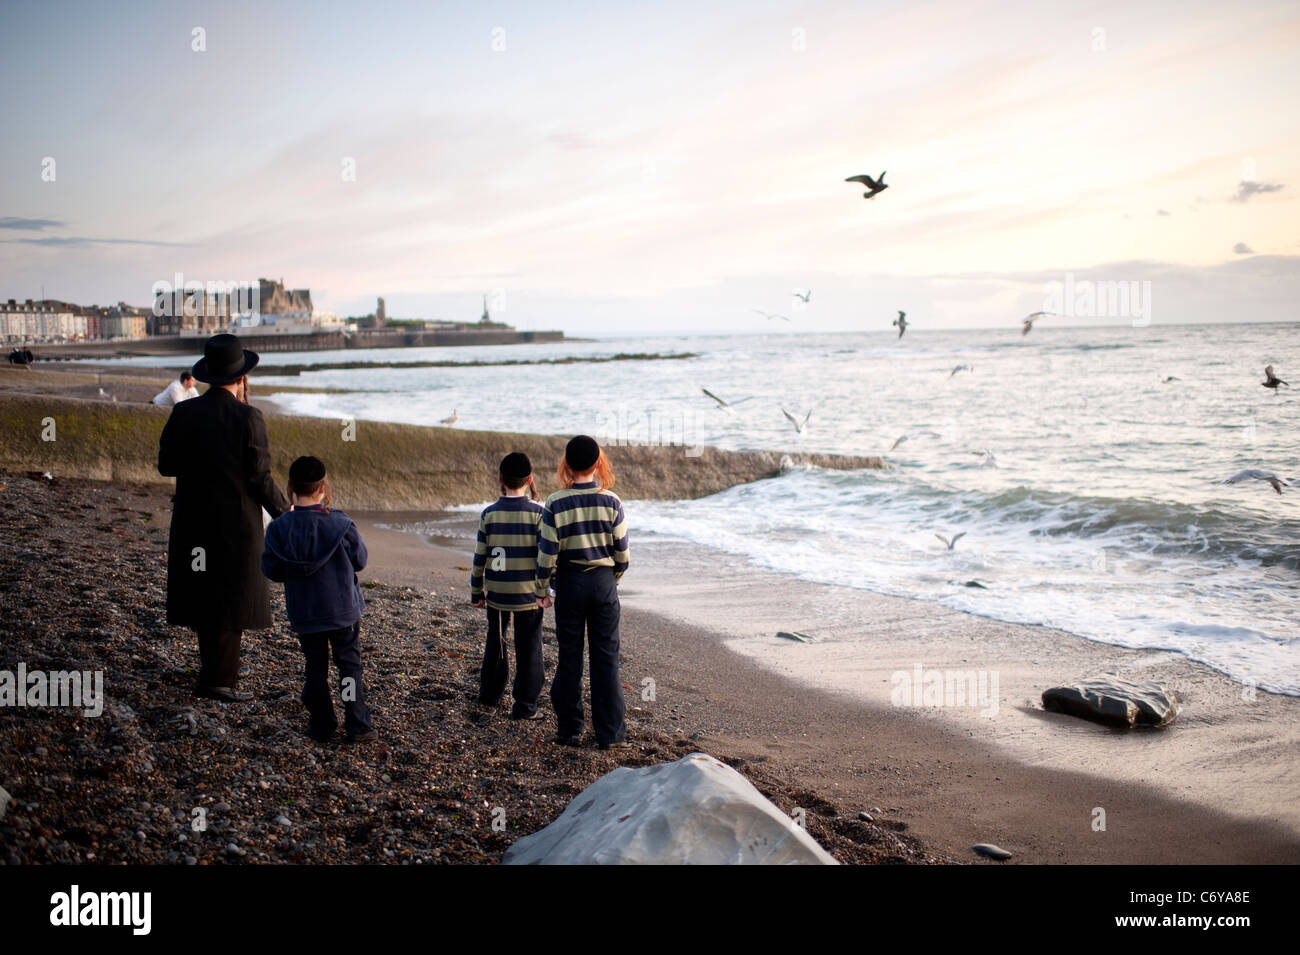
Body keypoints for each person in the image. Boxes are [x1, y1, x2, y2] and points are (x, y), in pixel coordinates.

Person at [158, 333, 289, 701]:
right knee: (232, 597)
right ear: (242, 377)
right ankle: (219, 682)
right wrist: (287, 513)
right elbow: (260, 478)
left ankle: (212, 675)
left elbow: (165, 464)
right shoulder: (249, 416)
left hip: (193, 519)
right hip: (237, 524)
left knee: (205, 592)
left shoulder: (184, 411)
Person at [262, 456, 376, 744]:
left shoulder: (278, 528)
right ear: (323, 486)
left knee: (315, 668)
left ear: (290, 488)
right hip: (341, 611)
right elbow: (360, 560)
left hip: (305, 611)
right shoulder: (339, 522)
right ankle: (357, 724)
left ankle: (322, 724)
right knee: (349, 665)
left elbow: (271, 569)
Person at [536, 435, 630, 750]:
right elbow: (623, 555)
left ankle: (570, 729)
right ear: (598, 463)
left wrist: (543, 588)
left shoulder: (555, 502)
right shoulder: (612, 501)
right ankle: (610, 734)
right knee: (606, 659)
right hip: (603, 583)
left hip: (570, 582)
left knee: (570, 656)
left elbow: (547, 554)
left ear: (566, 464)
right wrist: (610, 580)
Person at [470, 452, 546, 720]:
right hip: (528, 595)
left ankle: (490, 695)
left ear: (500, 479)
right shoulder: (539, 514)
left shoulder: (489, 514)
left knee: (497, 642)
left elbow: (480, 557)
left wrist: (476, 590)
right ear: (530, 480)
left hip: (498, 593)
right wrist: (547, 589)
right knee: (529, 647)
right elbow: (545, 556)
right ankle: (525, 705)